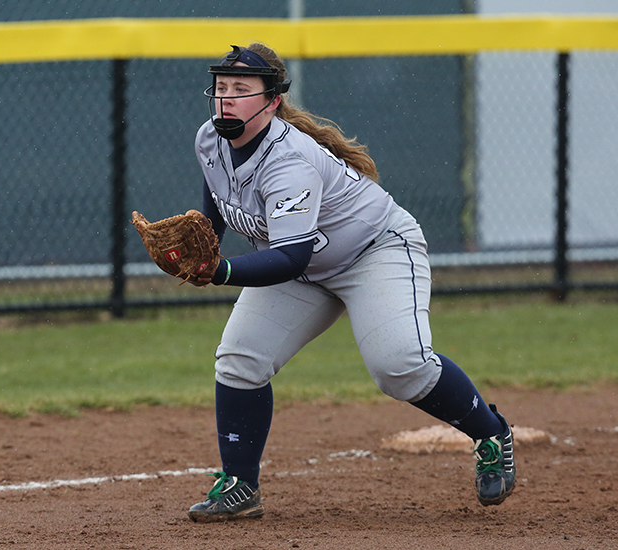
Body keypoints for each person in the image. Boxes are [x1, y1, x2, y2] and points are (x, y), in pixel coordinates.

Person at [185, 43, 515, 523]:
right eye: (221, 88)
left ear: (272, 101)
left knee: (398, 366)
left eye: (241, 89)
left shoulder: (289, 160)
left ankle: (491, 433)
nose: (226, 99)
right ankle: (240, 485)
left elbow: (292, 256)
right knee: (239, 360)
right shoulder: (210, 139)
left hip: (373, 252)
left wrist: (221, 271)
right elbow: (219, 193)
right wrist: (206, 247)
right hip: (304, 268)